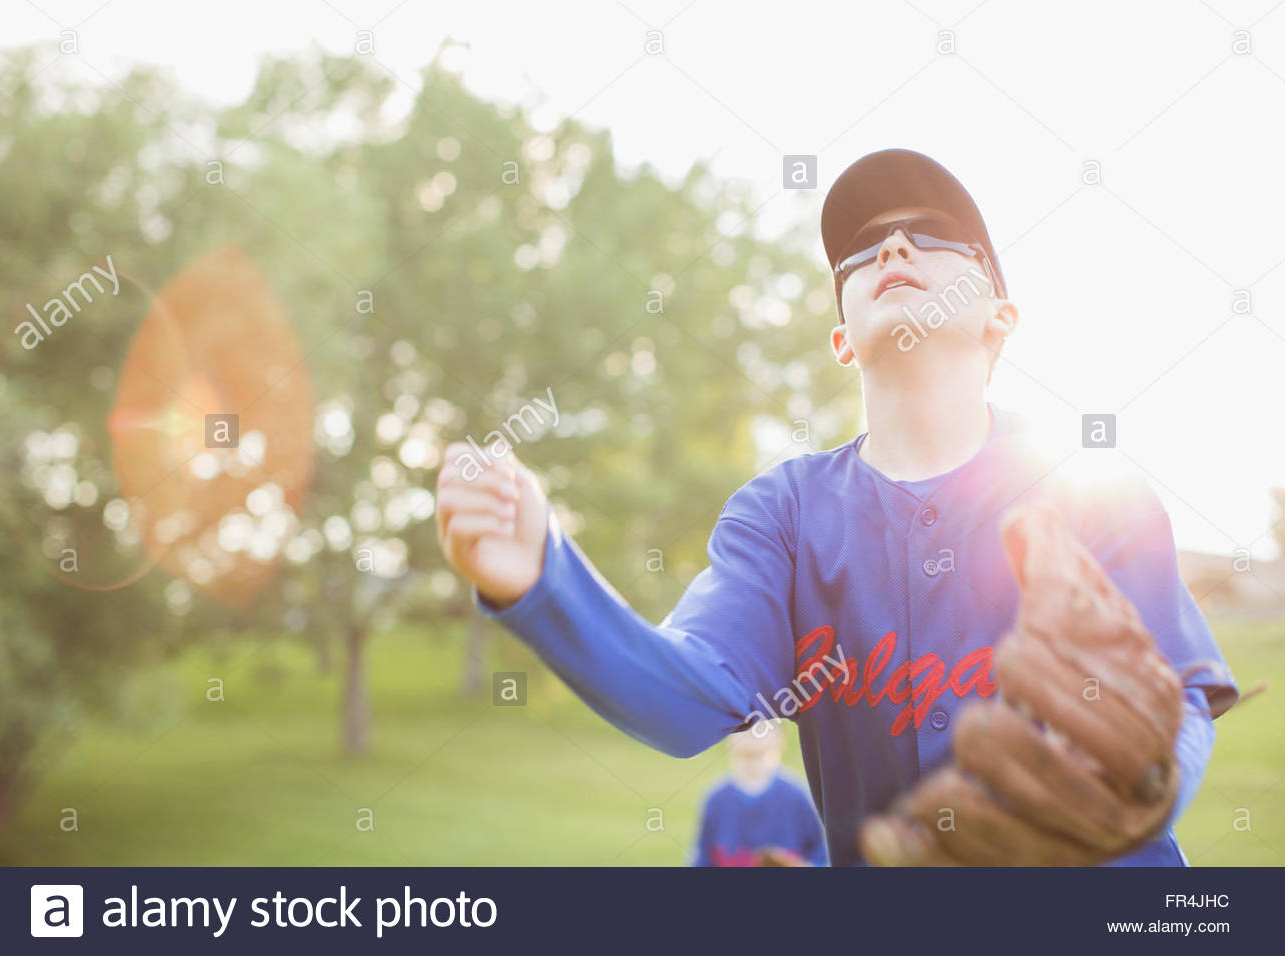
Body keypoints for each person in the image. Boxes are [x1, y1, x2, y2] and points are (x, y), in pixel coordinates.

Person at [435, 148, 1239, 866]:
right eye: (862, 250)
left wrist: (1140, 787)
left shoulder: (1090, 489)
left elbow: (1178, 693)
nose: (892, 248)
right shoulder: (781, 516)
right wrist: (544, 579)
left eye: (933, 235)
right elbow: (687, 703)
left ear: (1001, 320)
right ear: (842, 339)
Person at [692, 720, 827, 867]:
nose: (752, 730)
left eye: (762, 723)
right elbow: (702, 860)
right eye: (742, 723)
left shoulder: (797, 797)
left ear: (780, 738)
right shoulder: (716, 800)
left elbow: (821, 857)